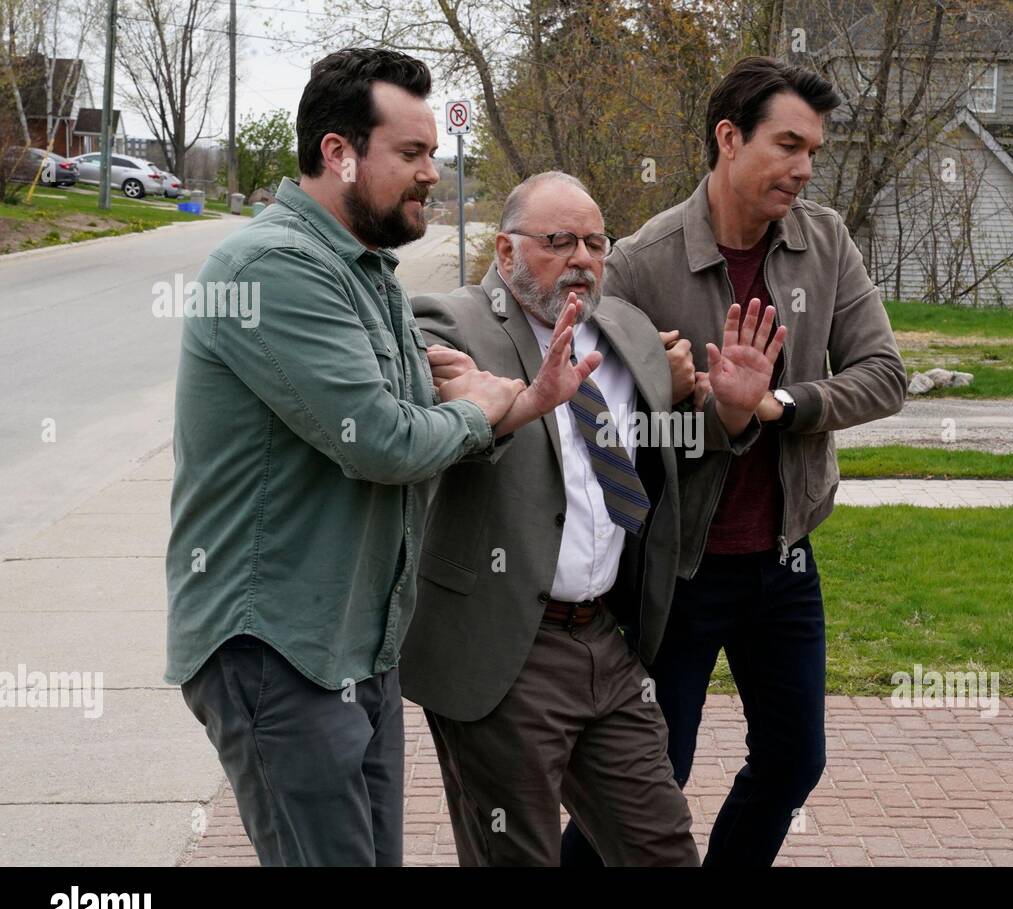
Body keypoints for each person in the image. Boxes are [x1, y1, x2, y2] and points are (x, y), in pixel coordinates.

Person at [165, 49, 580, 866]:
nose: (433, 173)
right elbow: (382, 441)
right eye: (413, 154)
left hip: (360, 644)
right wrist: (470, 411)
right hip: (277, 649)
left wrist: (511, 407)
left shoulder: (370, 274)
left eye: (433, 152)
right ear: (338, 152)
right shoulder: (272, 269)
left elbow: (406, 418)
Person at [561, 56, 908, 867]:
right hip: (674, 569)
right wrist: (684, 401)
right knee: (652, 775)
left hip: (784, 560)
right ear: (728, 137)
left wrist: (777, 406)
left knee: (794, 760)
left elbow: (883, 375)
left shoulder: (824, 242)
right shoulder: (642, 263)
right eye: (788, 144)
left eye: (813, 151)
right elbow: (598, 436)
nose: (804, 168)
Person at [399, 171, 783, 865]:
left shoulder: (627, 330)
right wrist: (502, 408)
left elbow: (667, 454)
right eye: (559, 241)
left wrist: (726, 410)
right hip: (502, 644)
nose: (582, 257)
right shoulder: (451, 324)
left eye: (595, 242)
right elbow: (425, 442)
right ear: (507, 252)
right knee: (518, 854)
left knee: (661, 844)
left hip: (606, 640)